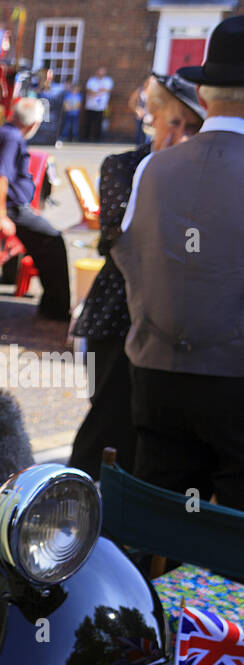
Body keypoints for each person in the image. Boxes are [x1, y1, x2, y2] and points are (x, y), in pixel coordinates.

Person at [112, 15, 244, 509]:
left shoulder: (152, 166)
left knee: (160, 514)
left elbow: (130, 255)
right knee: (231, 531)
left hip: (157, 373)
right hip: (235, 380)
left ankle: (152, 588)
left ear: (205, 96)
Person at [68, 74, 204, 477]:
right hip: (117, 311)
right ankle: (72, 510)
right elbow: (116, 238)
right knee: (106, 419)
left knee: (152, 429)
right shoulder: (123, 166)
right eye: (173, 122)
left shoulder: (203, 177)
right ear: (155, 117)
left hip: (173, 320)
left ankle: (132, 524)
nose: (179, 136)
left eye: (192, 127)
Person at [0, 97, 71, 319]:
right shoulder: (12, 138)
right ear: (33, 125)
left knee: (50, 240)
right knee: (53, 240)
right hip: (12, 209)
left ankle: (53, 304)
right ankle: (55, 308)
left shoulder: (8, 133)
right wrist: (1, 217)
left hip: (16, 206)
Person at [84, 66, 113, 141]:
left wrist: (97, 92)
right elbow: (88, 89)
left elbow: (108, 89)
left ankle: (97, 138)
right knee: (88, 122)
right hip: (90, 105)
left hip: (101, 106)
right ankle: (86, 137)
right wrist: (97, 92)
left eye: (102, 72)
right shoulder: (92, 80)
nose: (101, 73)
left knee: (99, 123)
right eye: (99, 71)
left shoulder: (108, 80)